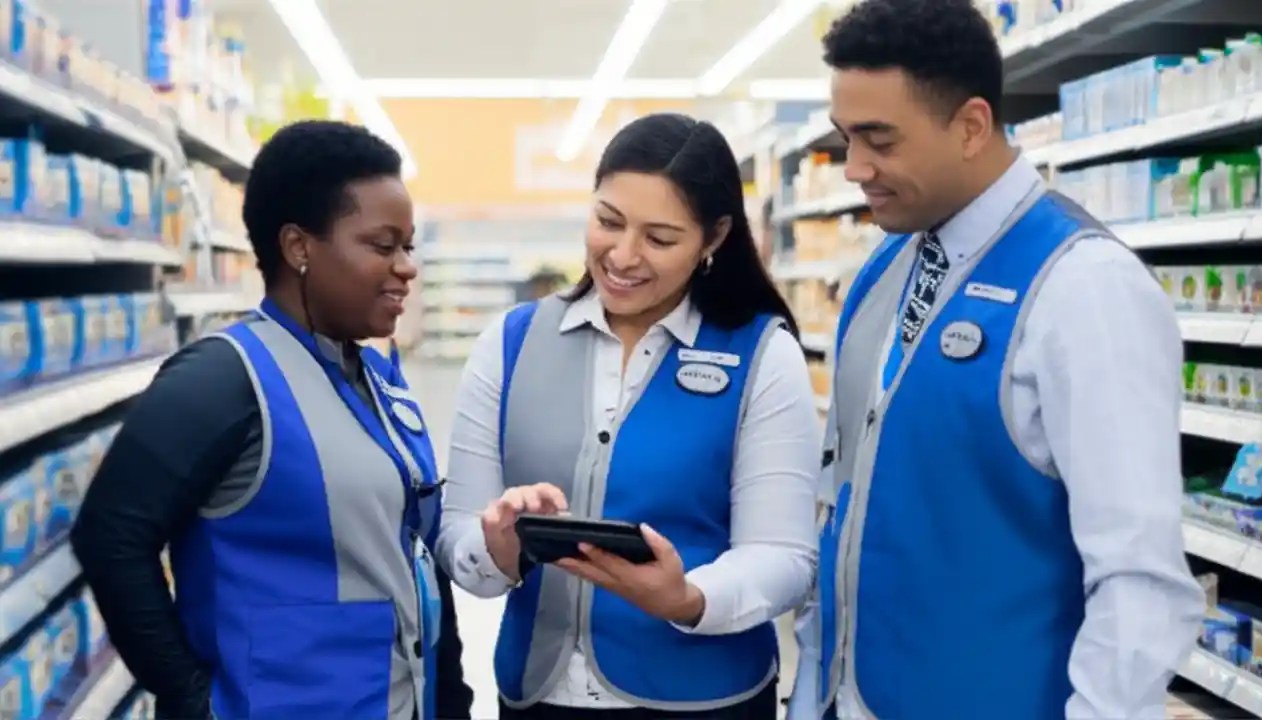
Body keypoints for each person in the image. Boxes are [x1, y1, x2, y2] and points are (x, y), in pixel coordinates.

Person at [787, 1, 1207, 718]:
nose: (855, 168)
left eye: (879, 139)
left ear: (972, 126)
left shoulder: (1085, 288)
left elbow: (1140, 583)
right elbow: (846, 510)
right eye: (845, 137)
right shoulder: (885, 268)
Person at [71, 120, 473, 720]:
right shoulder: (224, 378)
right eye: (383, 245)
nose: (406, 267)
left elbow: (413, 553)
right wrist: (188, 695)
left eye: (408, 247)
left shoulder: (380, 379)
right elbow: (110, 537)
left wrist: (451, 698)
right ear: (298, 247)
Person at [435, 113, 821, 719]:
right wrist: (498, 549)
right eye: (607, 222)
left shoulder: (763, 355)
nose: (622, 255)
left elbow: (784, 554)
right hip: (538, 698)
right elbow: (459, 535)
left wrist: (689, 598)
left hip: (702, 701)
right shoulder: (510, 344)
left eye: (660, 238)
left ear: (713, 238)